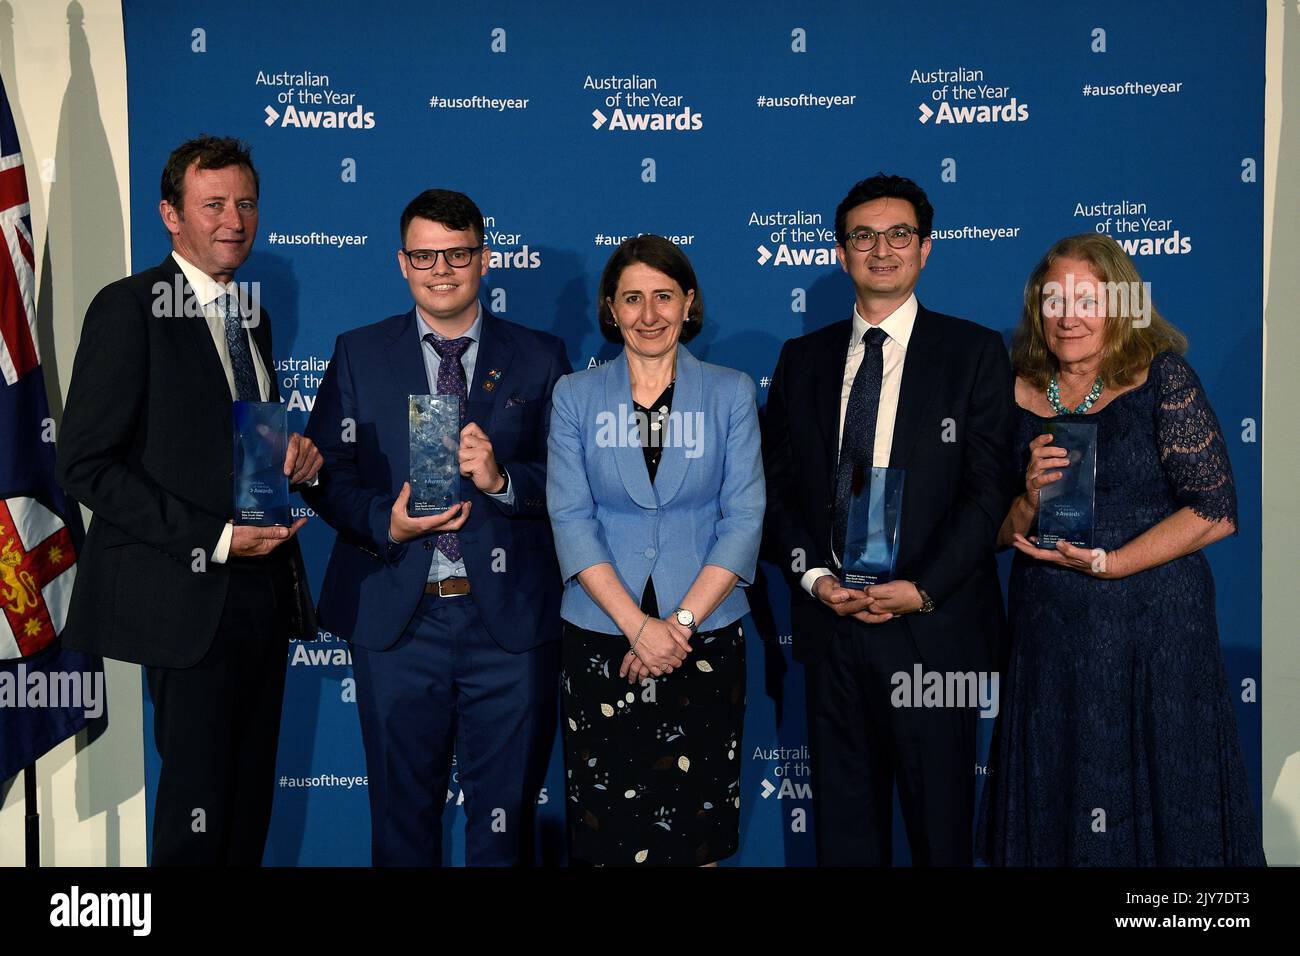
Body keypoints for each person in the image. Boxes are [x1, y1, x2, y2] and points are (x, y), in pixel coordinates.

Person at [56, 135, 322, 865]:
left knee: (246, 815)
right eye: (213, 204)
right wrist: (216, 537)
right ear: (171, 215)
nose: (233, 218)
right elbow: (87, 464)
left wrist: (286, 456)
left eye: (245, 203)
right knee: (196, 819)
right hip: (184, 599)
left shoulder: (251, 317)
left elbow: (224, 441)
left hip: (261, 598)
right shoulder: (128, 309)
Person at [978, 233, 1266, 865]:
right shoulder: (1013, 388)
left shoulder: (1162, 375)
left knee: (1166, 800)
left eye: (1088, 297)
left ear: (1123, 304)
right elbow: (993, 531)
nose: (1069, 315)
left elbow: (1216, 511)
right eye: (1055, 299)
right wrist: (1026, 497)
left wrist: (1111, 564)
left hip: (1155, 636)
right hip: (1051, 639)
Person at [303, 188, 570, 866]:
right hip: (399, 621)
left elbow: (575, 479)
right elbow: (323, 472)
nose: (441, 269)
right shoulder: (359, 353)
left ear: (485, 259)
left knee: (504, 830)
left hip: (507, 624)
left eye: (457, 253)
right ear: (401, 262)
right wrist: (383, 523)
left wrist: (504, 480)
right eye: (425, 255)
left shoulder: (540, 355)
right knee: (401, 827)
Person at [762, 173, 1017, 866]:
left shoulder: (974, 354)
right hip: (832, 629)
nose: (881, 249)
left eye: (898, 234)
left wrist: (923, 587)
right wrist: (813, 578)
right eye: (863, 236)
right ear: (840, 252)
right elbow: (774, 492)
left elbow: (990, 491)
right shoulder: (802, 359)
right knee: (844, 841)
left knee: (940, 835)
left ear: (926, 249)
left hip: (933, 636)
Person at [547, 235, 763, 866]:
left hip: (704, 639)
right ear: (610, 309)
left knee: (697, 835)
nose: (649, 314)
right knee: (607, 834)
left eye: (663, 296)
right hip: (601, 638)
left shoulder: (729, 392)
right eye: (632, 298)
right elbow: (570, 515)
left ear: (688, 302)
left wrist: (678, 626)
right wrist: (639, 627)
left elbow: (744, 516)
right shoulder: (575, 397)